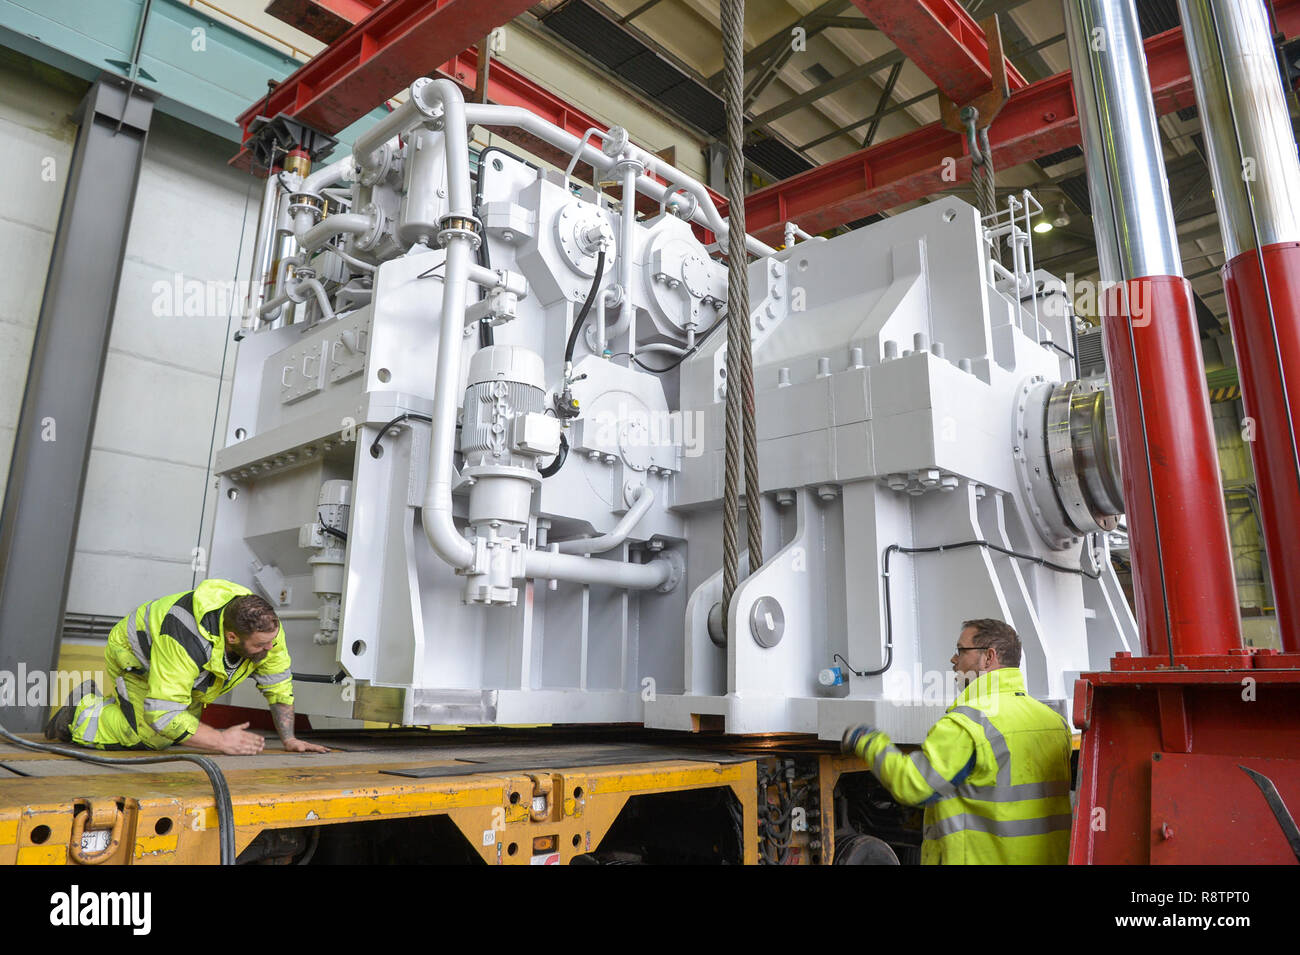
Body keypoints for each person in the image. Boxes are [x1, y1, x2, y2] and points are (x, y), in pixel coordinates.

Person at [841, 618, 1073, 864]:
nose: (953, 660)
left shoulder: (968, 723)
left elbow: (914, 786)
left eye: (961, 651)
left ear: (988, 657)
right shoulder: (1054, 722)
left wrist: (868, 741)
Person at [45, 578, 329, 756]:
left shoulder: (266, 632)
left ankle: (123, 707)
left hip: (187, 671)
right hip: (136, 656)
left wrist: (289, 739)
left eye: (272, 642)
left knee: (181, 733)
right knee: (150, 737)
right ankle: (78, 713)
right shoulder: (184, 638)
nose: (270, 649)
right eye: (261, 646)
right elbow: (163, 715)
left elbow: (278, 687)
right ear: (232, 637)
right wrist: (220, 741)